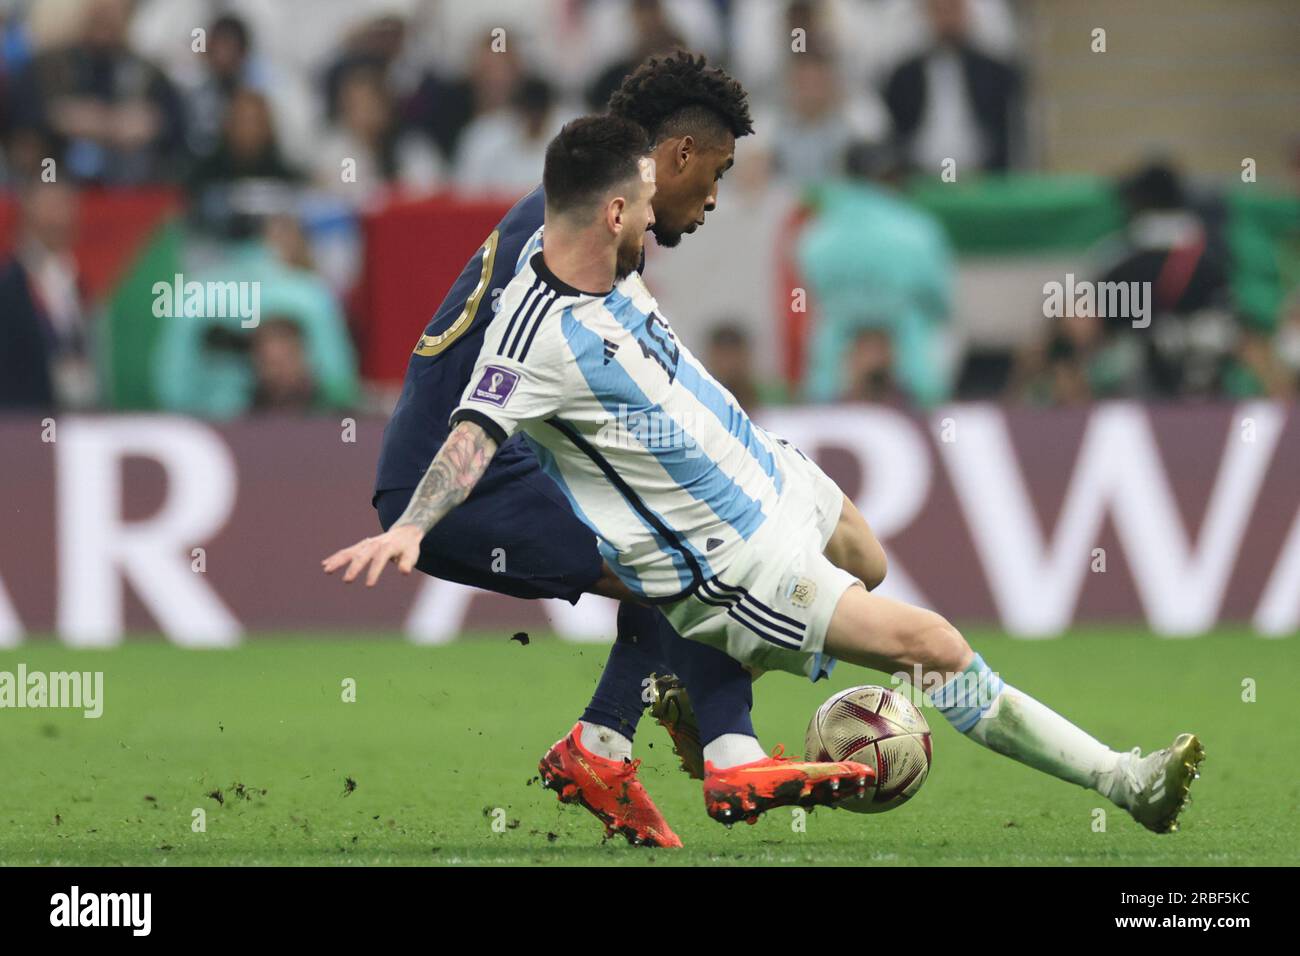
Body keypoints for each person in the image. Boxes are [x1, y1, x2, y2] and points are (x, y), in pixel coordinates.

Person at [326, 114, 1205, 838]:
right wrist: (412, 525)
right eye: (645, 202)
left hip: (769, 483)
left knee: (868, 557)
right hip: (730, 561)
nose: (661, 214)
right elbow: (475, 432)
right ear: (613, 214)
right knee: (932, 646)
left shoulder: (611, 270)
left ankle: (683, 712)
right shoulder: (535, 336)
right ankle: (1126, 783)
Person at [344, 53, 871, 848]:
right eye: (716, 173)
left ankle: (607, 744)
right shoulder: (577, 236)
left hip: (505, 459)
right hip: (463, 474)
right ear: (676, 156)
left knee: (670, 547)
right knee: (684, 556)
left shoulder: (584, 215)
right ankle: (722, 747)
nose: (713, 199)